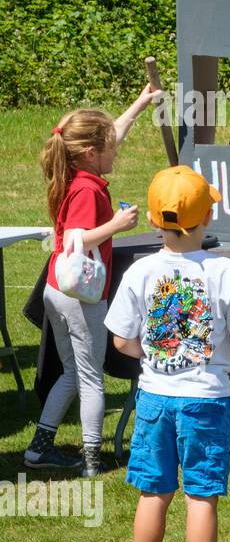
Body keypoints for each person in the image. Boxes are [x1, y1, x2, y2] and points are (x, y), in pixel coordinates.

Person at [106, 166, 230, 542]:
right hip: (206, 398)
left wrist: (155, 355)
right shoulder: (225, 270)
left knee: (153, 492)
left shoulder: (140, 271)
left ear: (155, 221)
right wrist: (217, 350)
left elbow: (120, 340)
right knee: (201, 495)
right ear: (208, 216)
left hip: (155, 397)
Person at [25, 88, 157, 474]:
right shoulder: (86, 187)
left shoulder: (76, 172)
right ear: (90, 153)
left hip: (57, 287)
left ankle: (39, 449)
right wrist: (116, 225)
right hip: (80, 293)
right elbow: (74, 240)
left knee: (71, 372)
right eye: (111, 149)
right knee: (90, 376)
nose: (116, 152)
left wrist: (140, 102)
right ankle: (92, 460)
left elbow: (112, 132)